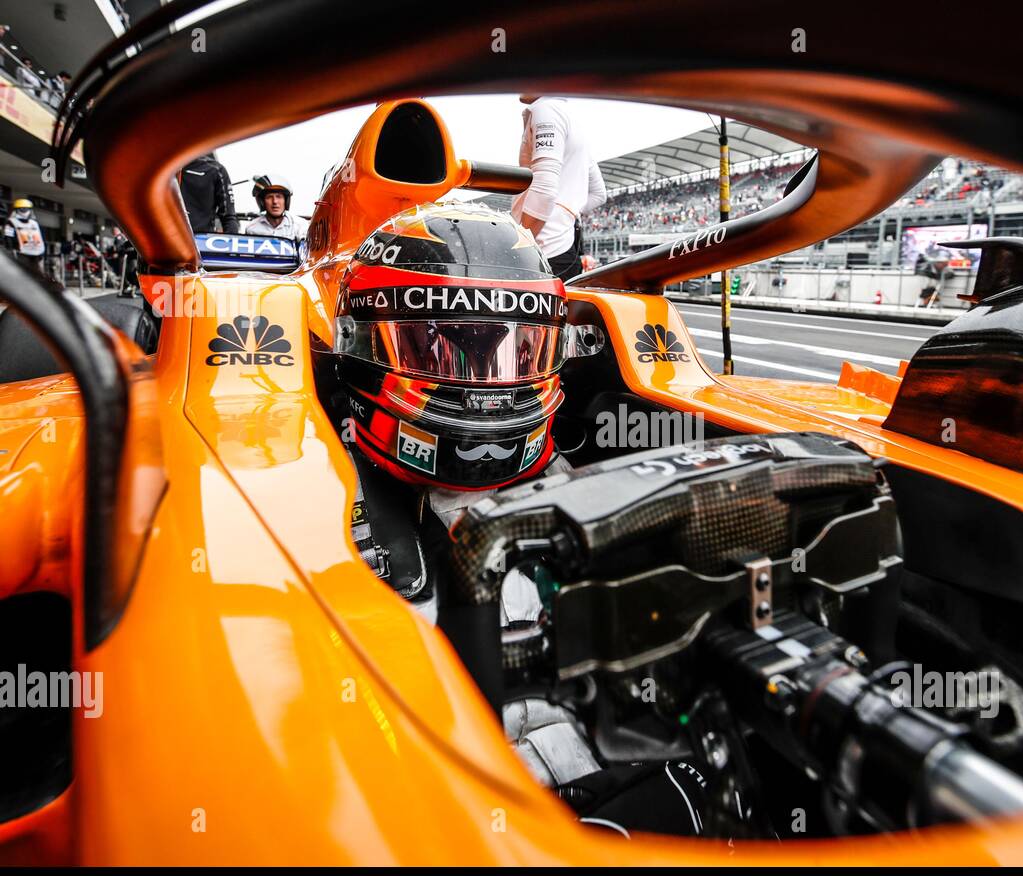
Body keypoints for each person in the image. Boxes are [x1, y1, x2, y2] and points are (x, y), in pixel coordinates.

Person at [326, 198, 706, 836]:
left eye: (513, 353)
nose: (489, 385)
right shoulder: (320, 507)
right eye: (446, 352)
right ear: (362, 345)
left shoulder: (577, 490)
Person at [510, 95, 606, 280]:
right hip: (563, 249)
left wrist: (516, 245)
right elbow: (599, 194)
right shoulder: (571, 118)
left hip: (541, 250)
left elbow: (545, 189)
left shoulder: (546, 110)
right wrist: (565, 210)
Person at [178, 153, 239, 234]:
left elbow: (228, 217)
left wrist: (230, 242)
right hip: (165, 238)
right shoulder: (162, 167)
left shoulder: (215, 170)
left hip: (200, 240)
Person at [245, 173, 309, 240]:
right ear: (262, 202)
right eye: (269, 197)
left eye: (279, 197)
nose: (275, 201)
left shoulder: (299, 226)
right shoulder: (252, 229)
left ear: (286, 201)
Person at [3, 199, 46, 275]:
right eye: (22, 209)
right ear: (17, 209)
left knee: (36, 275)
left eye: (26, 209)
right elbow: (8, 237)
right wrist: (10, 250)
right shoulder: (11, 222)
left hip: (36, 254)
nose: (24, 211)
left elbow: (41, 238)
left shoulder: (34, 223)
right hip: (20, 253)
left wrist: (41, 254)